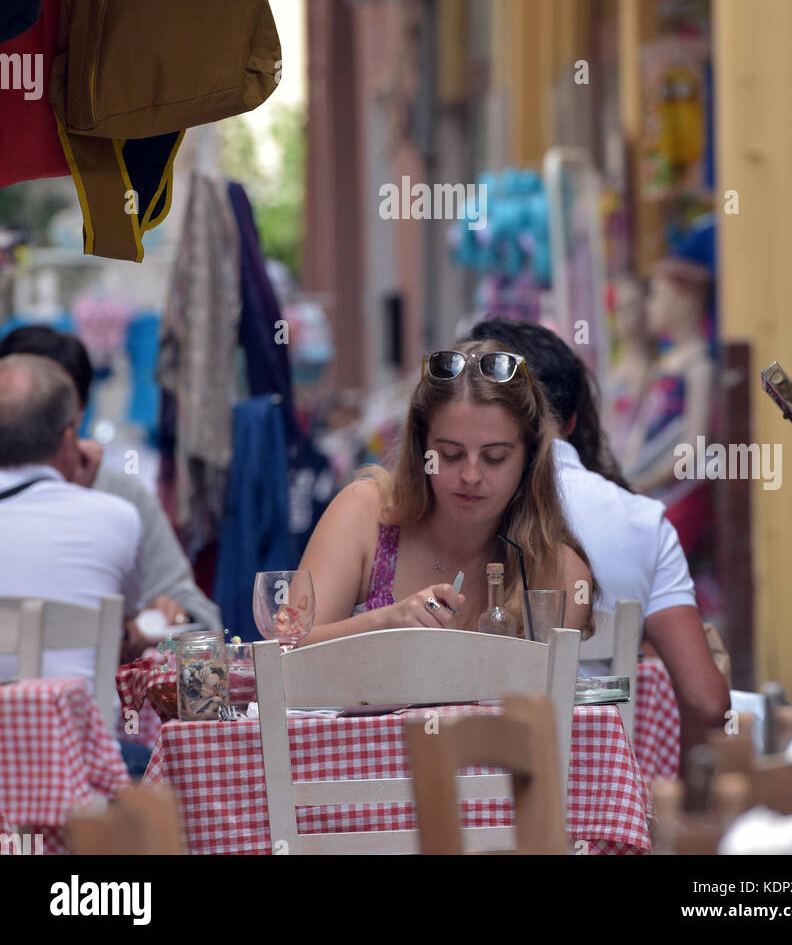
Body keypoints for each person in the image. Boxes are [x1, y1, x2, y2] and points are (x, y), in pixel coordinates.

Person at [469, 318, 730, 758]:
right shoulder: (643, 520)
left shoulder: (461, 501)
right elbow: (707, 701)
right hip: (605, 796)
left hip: (468, 774)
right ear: (571, 421)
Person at [297, 339, 595, 641]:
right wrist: (384, 622)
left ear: (529, 459)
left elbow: (546, 688)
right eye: (451, 454)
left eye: (495, 458)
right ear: (421, 449)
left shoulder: (559, 573)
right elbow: (283, 653)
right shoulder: (364, 512)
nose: (470, 475)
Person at [0, 325, 223, 642]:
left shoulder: (123, 496)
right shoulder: (116, 514)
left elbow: (200, 617)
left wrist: (177, 611)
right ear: (69, 431)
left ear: (78, 414)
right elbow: (127, 629)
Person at [0, 353, 141, 688]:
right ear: (68, 441)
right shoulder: (116, 517)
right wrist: (77, 491)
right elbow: (129, 618)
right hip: (72, 738)